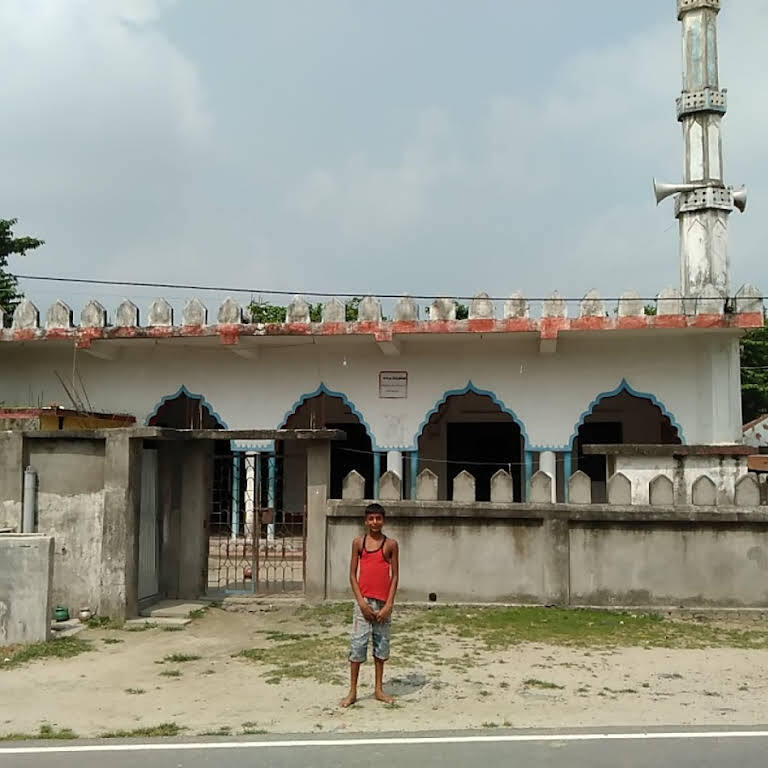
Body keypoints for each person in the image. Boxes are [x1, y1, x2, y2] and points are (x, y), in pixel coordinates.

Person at [340, 502, 399, 707]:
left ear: (383, 520)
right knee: (357, 646)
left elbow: (395, 576)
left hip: (383, 603)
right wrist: (361, 603)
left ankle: (378, 689)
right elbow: (352, 575)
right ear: (366, 521)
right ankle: (353, 691)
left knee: (381, 647)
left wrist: (388, 605)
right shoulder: (358, 543)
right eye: (371, 518)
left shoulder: (391, 545)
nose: (375, 522)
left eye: (378, 518)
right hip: (363, 603)